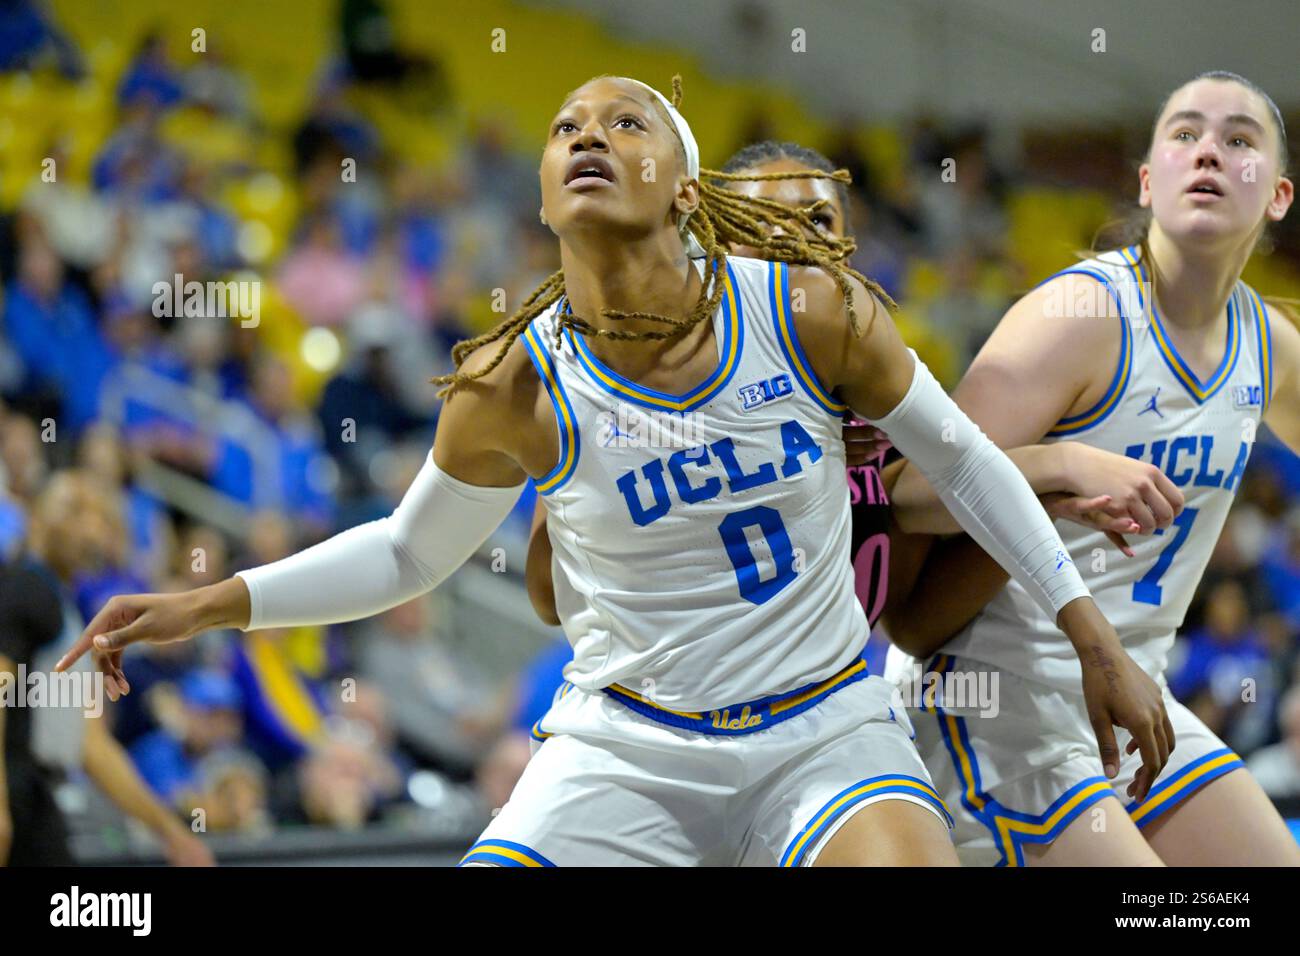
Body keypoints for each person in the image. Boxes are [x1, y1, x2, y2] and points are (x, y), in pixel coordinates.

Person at [58, 74, 1169, 867]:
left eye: (625, 119)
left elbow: (966, 467)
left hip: (824, 731)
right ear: (544, 198)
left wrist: (1092, 636)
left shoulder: (809, 311)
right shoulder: (510, 380)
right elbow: (406, 550)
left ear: (685, 188)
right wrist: (205, 602)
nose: (588, 132)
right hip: (626, 744)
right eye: (564, 126)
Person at [523, 140, 1180, 679]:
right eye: (762, 221)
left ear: (849, 252)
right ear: (715, 250)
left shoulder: (881, 406)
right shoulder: (632, 378)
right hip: (653, 723)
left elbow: (915, 620)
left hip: (811, 731)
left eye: (819, 221)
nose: (793, 239)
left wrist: (1045, 484)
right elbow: (550, 599)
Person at [885, 71, 1300, 866]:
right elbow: (910, 491)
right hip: (993, 698)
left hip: (1135, 698)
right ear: (1148, 182)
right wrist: (1064, 463)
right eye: (1184, 134)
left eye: (1238, 138)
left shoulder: (1268, 346)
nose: (1209, 149)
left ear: (1278, 195)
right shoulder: (1078, 318)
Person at [1, 471, 212, 866]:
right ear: (36, 516)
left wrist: (169, 831)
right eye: (73, 509)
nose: (86, 525)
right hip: (14, 792)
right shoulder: (25, 587)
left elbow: (93, 746)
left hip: (37, 800)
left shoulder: (63, 606)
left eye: (96, 514)